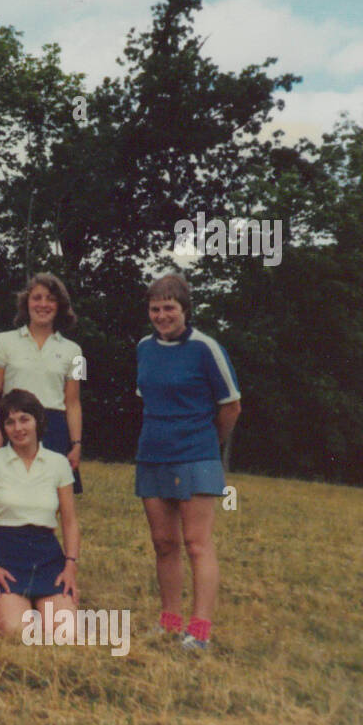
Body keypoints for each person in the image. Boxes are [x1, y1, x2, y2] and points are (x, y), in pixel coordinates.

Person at [135, 273, 241, 650]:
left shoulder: (205, 348)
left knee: (196, 543)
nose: (162, 315)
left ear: (185, 309)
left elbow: (231, 405)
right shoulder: (144, 348)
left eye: (169, 308)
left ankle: (199, 632)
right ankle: (169, 622)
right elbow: (147, 399)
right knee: (163, 542)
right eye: (155, 308)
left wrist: (210, 443)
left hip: (196, 455)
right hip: (153, 455)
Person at [0, 389, 81, 638]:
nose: (18, 428)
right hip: (4, 558)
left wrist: (70, 566)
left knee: (66, 632)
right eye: (10, 422)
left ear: (38, 421)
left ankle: (41, 603)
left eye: (24, 419)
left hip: (47, 556)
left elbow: (70, 522)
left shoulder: (58, 463)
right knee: (17, 631)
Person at [0, 272, 84, 493]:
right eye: (37, 297)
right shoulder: (2, 341)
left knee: (51, 501)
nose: (43, 304)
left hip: (55, 430)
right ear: (26, 302)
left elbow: (74, 402)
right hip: (14, 427)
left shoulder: (76, 351)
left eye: (50, 298)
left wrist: (76, 444)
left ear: (60, 305)